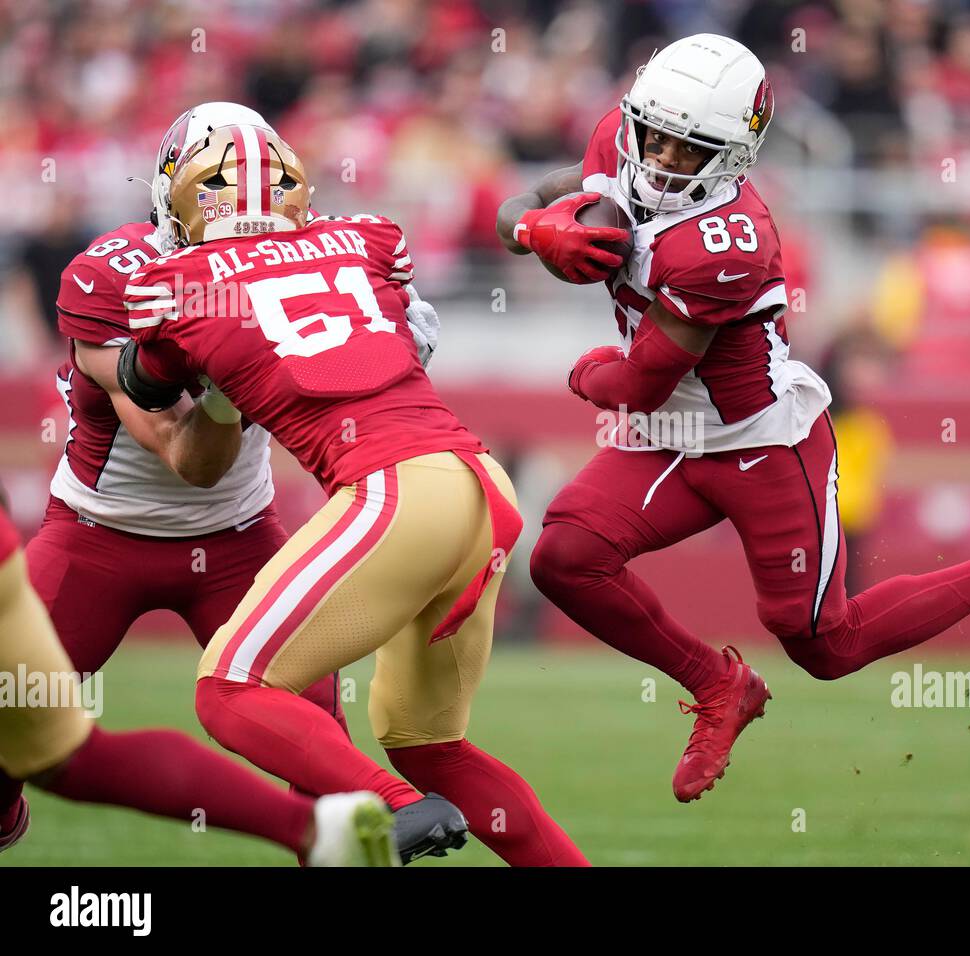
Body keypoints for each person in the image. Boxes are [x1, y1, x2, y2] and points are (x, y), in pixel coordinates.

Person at [498, 33, 970, 803]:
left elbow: (636, 386)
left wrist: (580, 372)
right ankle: (720, 686)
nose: (658, 161)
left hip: (759, 440)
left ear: (733, 156)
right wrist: (531, 226)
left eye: (687, 151)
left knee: (825, 645)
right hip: (675, 437)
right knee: (563, 557)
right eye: (652, 137)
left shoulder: (726, 243)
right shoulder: (625, 137)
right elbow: (548, 194)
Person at [120, 123, 586, 866]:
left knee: (229, 690)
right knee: (429, 744)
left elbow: (144, 380)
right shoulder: (363, 238)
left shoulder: (174, 285)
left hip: (393, 490)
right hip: (477, 484)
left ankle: (395, 810)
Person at [0, 102, 363, 848]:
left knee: (321, 739)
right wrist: (229, 390)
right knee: (9, 720)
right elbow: (185, 455)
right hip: (99, 538)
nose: (246, 231)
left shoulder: (303, 258)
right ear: (176, 199)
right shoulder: (113, 278)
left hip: (238, 539)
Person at [0, 504, 395, 866]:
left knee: (314, 710)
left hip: (238, 529)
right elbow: (183, 452)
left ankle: (353, 818)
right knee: (68, 757)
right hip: (92, 527)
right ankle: (321, 825)